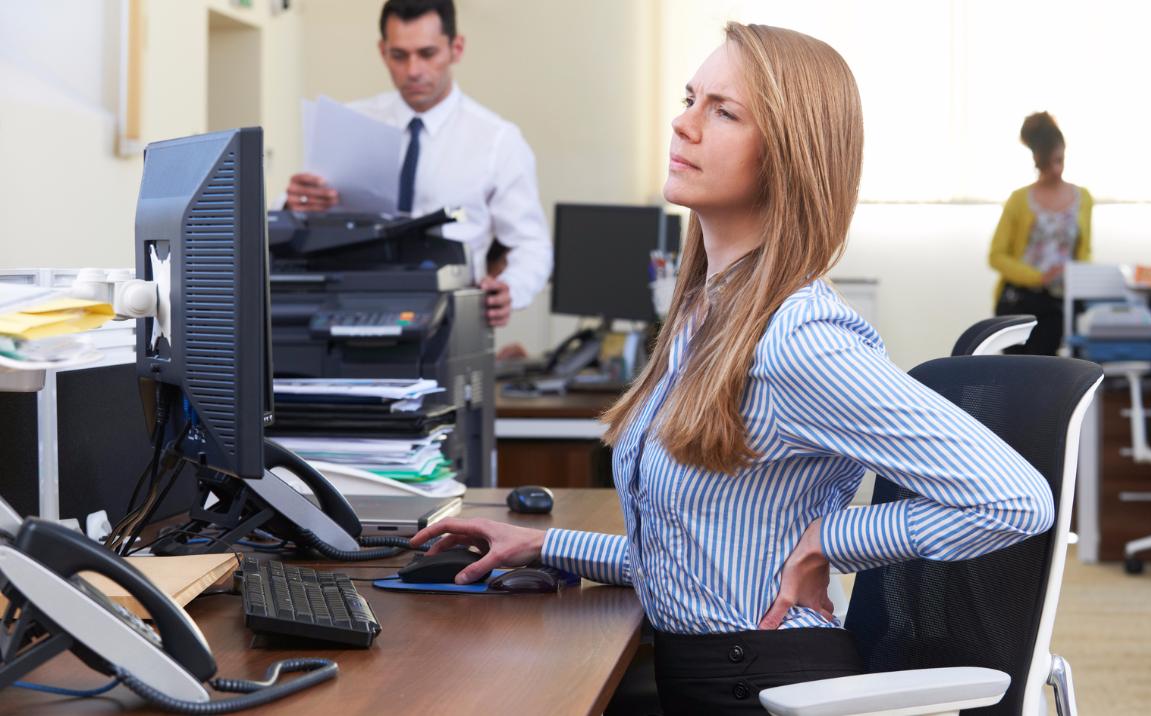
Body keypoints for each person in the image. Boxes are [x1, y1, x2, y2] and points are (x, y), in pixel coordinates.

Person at [413, 23, 1053, 713]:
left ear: (787, 155)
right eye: (689, 98)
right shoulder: (704, 316)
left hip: (765, 688)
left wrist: (830, 541)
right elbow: (701, 569)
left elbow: (1014, 499)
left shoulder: (799, 339)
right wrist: (541, 545)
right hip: (711, 670)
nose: (683, 125)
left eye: (723, 111)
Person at [284, 0, 551, 327]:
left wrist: (512, 288)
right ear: (382, 52)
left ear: (456, 48)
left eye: (427, 54)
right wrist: (295, 204)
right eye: (399, 55)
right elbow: (294, 224)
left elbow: (532, 245)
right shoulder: (348, 124)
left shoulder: (498, 140)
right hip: (351, 312)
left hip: (451, 321)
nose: (413, 71)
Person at [988, 111, 1093, 355]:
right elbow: (997, 256)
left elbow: (1084, 252)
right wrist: (1040, 277)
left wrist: (1075, 275)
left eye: (1060, 160)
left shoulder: (1083, 198)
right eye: (1049, 163)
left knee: (1054, 373)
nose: (1056, 169)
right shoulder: (1019, 200)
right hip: (1020, 301)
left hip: (1061, 303)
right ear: (1036, 160)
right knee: (1019, 374)